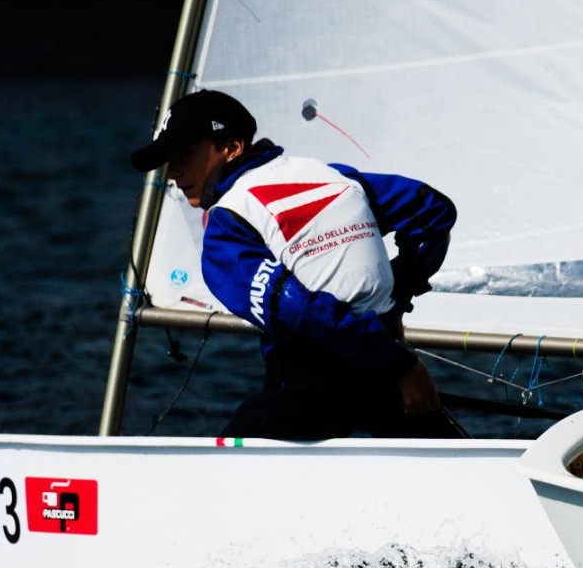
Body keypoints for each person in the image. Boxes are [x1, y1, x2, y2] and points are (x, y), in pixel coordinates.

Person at [131, 89, 463, 440]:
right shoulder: (332, 175)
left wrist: (399, 361)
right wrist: (395, 305)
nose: (171, 171)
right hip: (389, 380)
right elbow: (433, 211)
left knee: (227, 469)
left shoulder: (226, 228)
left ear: (231, 148)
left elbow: (298, 311)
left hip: (315, 390)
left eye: (184, 153)